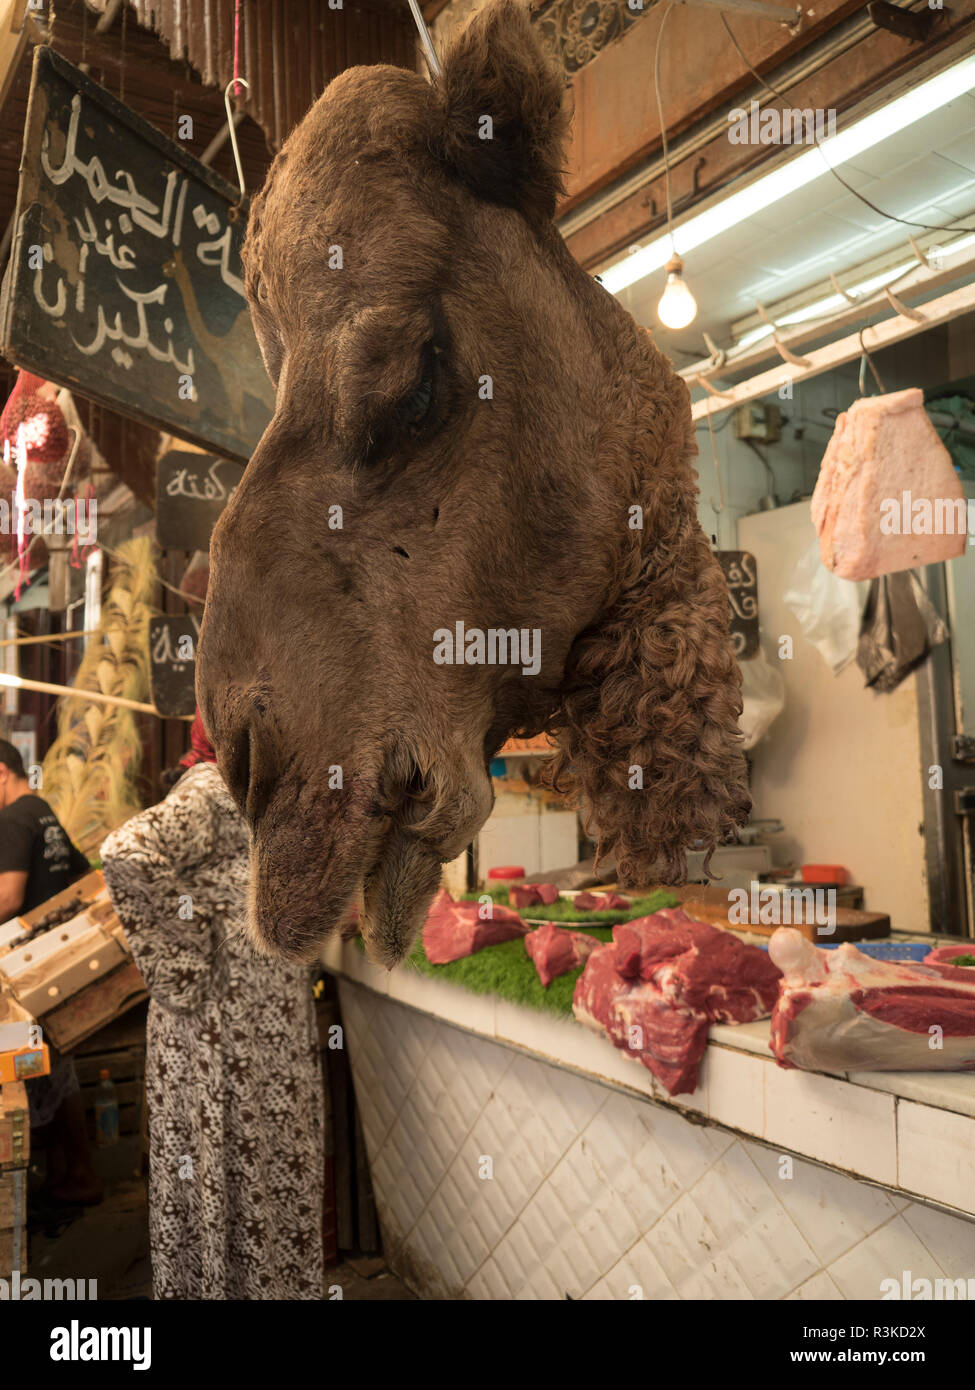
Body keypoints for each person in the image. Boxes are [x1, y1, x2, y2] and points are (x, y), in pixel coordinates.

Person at [100, 711, 324, 1300]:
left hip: (260, 1042)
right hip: (218, 1042)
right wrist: (191, 955)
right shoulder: (212, 790)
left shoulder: (256, 797)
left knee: (266, 1183)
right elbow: (126, 852)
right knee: (223, 1174)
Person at [0, 738, 91, 919]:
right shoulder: (40, 808)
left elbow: (8, 899)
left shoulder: (12, 818)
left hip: (26, 939)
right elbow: (83, 874)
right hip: (50, 930)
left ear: (2, 773)